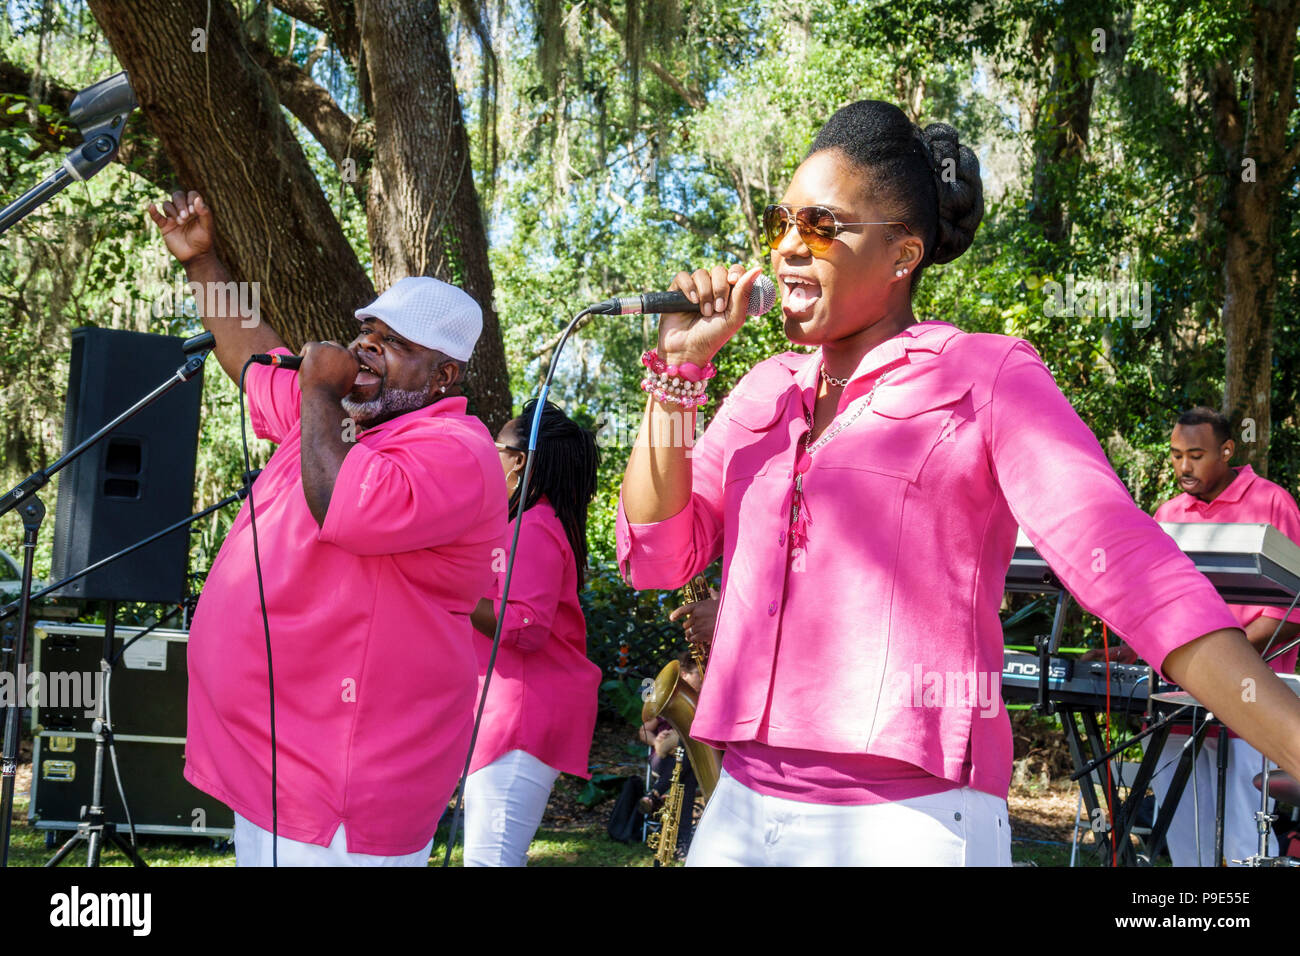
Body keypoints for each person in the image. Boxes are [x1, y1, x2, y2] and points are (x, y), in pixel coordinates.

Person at [616, 100, 1300, 866]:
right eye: (780, 222)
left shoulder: (985, 373)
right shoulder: (762, 392)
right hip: (739, 809)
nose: (785, 248)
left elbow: (1128, 565)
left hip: (909, 822)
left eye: (819, 225)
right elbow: (655, 555)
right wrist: (676, 377)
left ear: (903, 254)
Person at [148, 190, 507, 866]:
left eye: (393, 346)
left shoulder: (457, 449)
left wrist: (318, 392)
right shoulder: (334, 423)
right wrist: (202, 262)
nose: (367, 351)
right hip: (271, 768)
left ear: (444, 375)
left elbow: (343, 505)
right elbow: (252, 359)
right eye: (365, 334)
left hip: (341, 791)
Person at [1092, 407, 1300, 864]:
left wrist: (1217, 670)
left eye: (1196, 455)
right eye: (1176, 455)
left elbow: (1286, 614)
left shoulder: (1272, 503)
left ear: (1227, 451)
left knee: (1250, 845)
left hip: (1253, 708)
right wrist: (1123, 652)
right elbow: (1150, 608)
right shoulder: (1168, 515)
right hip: (1175, 709)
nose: (1184, 467)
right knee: (1186, 844)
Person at [463, 400, 602, 866]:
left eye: (493, 446)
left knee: (491, 861)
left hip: (521, 717)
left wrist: (450, 594)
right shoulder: (531, 524)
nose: (485, 454)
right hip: (513, 713)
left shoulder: (535, 527)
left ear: (519, 460)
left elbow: (526, 626)